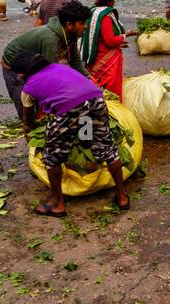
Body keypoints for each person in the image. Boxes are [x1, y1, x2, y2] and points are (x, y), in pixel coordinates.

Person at [14, 51, 130, 218]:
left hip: (70, 107)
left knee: (51, 155)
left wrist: (36, 134)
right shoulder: (60, 67)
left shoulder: (28, 88)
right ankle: (122, 196)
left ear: (22, 74)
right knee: (105, 147)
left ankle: (57, 202)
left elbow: (28, 121)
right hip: (96, 99)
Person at [1, 1, 91, 122]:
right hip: (14, 66)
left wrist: (88, 79)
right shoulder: (50, 39)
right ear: (69, 24)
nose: (85, 26)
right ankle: (30, 129)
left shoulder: (71, 35)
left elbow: (75, 60)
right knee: (25, 105)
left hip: (34, 64)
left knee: (39, 101)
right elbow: (51, 72)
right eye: (82, 23)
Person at [79, 0, 137, 97]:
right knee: (110, 89)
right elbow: (109, 41)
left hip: (93, 56)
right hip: (106, 59)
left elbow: (96, 36)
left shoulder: (92, 11)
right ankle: (112, 109)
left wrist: (120, 40)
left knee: (94, 84)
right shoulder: (105, 15)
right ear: (111, 1)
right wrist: (126, 35)